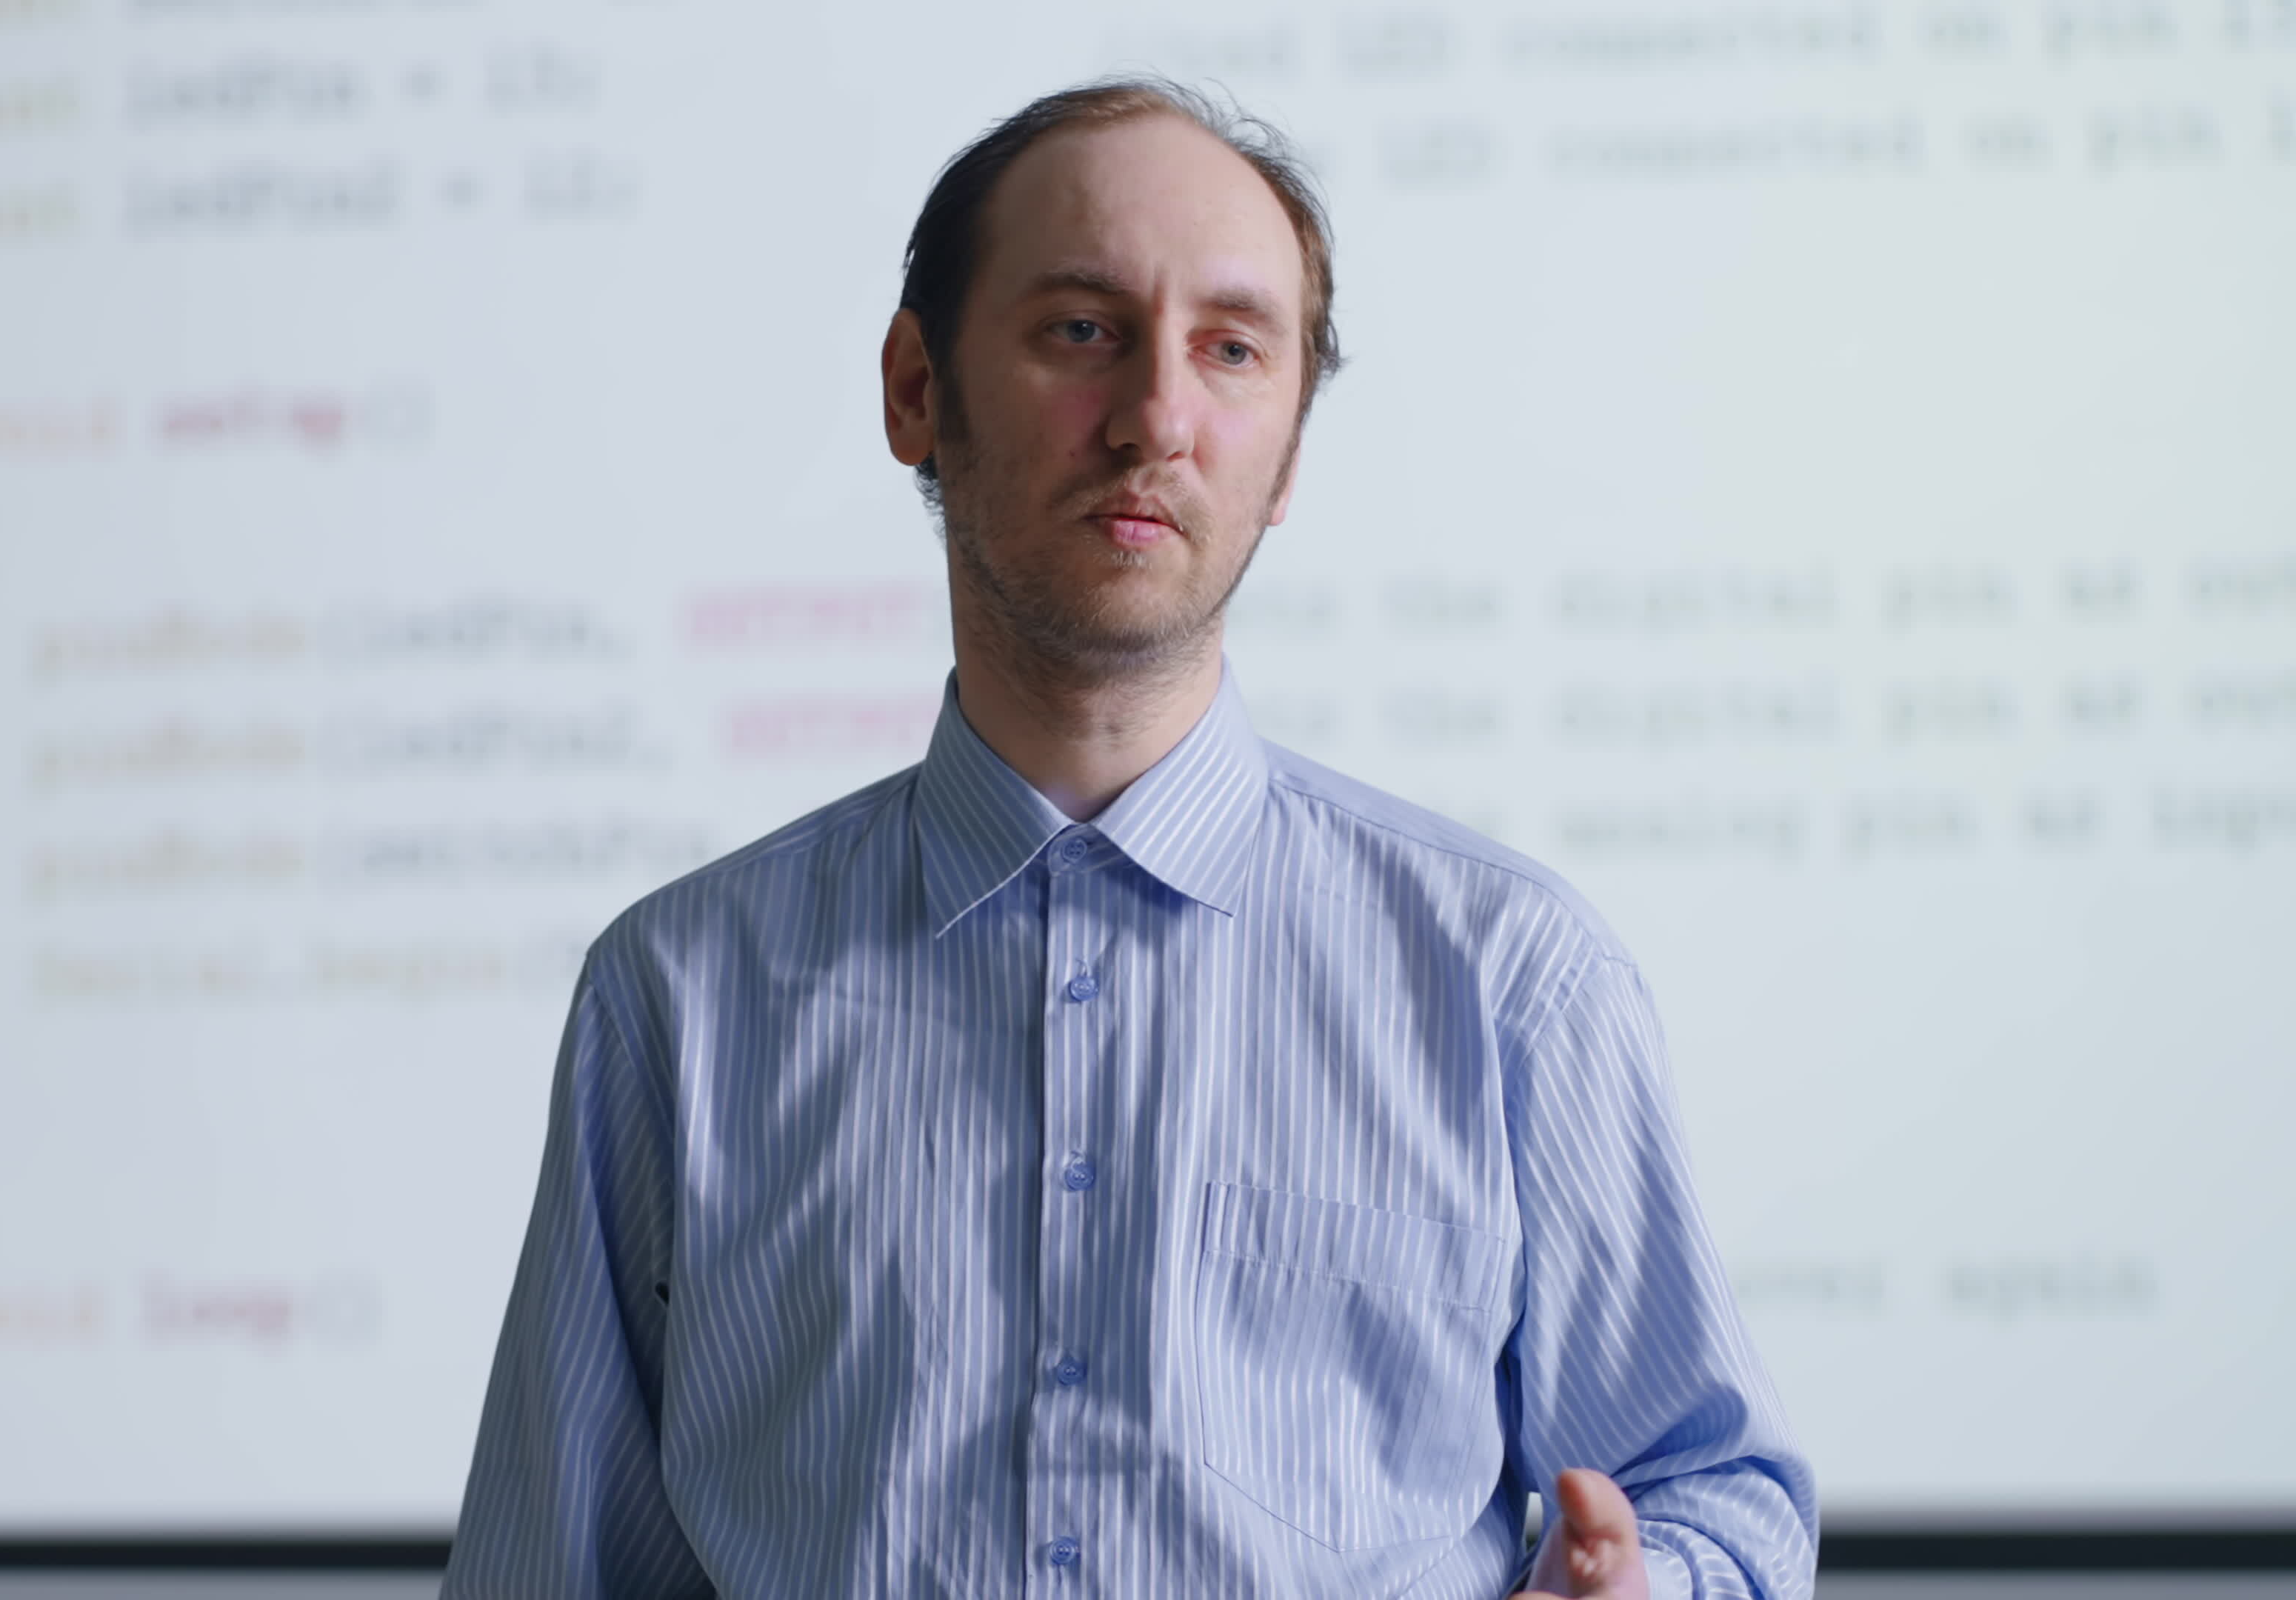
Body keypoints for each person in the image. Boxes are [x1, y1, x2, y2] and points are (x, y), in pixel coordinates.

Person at [441, 77, 1815, 1599]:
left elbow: (1713, 1493)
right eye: (1081, 329)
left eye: (1230, 350)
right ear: (914, 390)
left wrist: (1657, 1587)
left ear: (1285, 453)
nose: (1157, 415)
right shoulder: (674, 998)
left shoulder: (1513, 980)